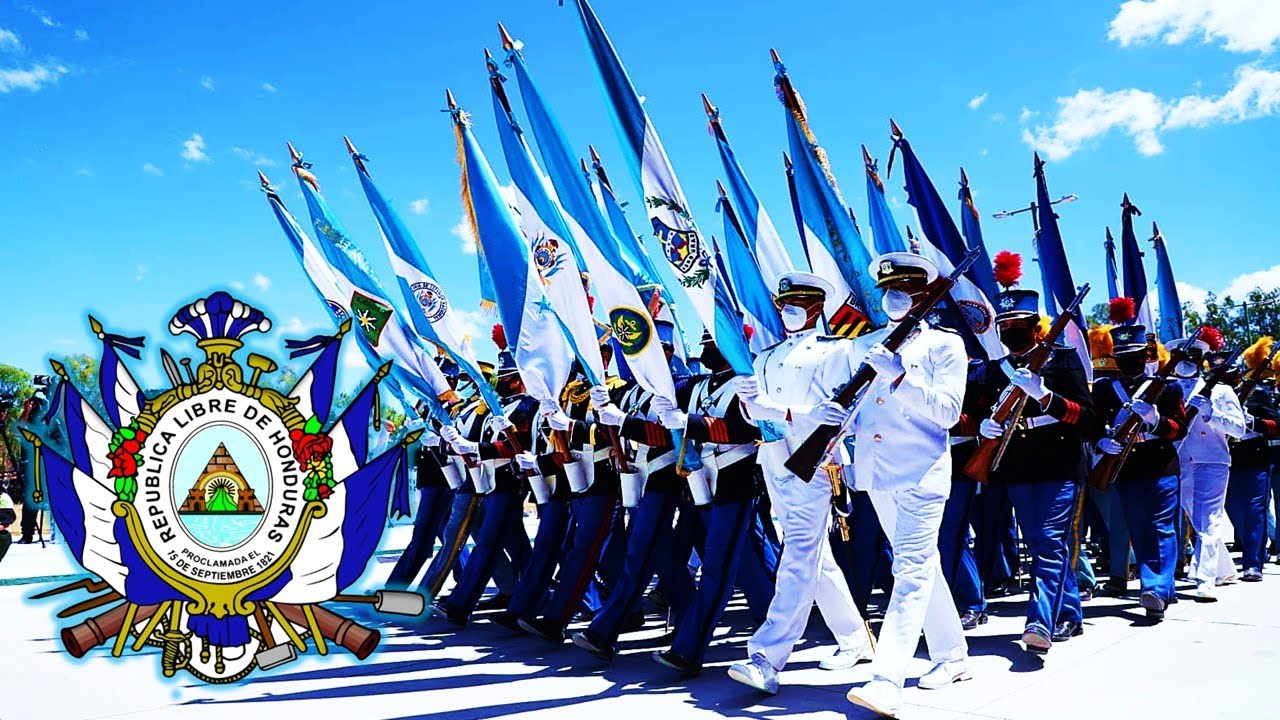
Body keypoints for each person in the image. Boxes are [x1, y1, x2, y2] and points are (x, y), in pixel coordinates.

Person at [728, 271, 874, 695]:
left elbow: (840, 411)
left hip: (814, 463)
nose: (789, 310)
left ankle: (767, 657)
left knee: (797, 556)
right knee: (815, 556)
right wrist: (748, 400)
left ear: (816, 307)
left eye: (800, 303)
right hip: (774, 462)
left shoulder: (836, 351)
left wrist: (777, 408)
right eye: (785, 303)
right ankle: (854, 637)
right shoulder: (766, 357)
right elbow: (755, 416)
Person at [843, 252, 970, 717]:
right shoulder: (868, 344)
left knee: (911, 568)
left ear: (924, 295)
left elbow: (948, 413)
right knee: (920, 563)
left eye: (903, 289)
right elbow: (857, 409)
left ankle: (887, 677)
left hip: (922, 471)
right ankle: (953, 655)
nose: (891, 297)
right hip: (877, 472)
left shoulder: (944, 345)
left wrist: (901, 377)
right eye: (886, 290)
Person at [953, 269, 1094, 653]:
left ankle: (1039, 622)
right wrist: (984, 426)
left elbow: (1088, 417)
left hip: (1058, 463)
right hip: (1015, 465)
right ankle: (1067, 613)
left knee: (1049, 543)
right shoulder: (993, 370)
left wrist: (1047, 398)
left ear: (1036, 327)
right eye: (1005, 326)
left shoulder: (1061, 362)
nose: (1011, 332)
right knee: (1040, 542)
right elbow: (970, 414)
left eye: (1019, 324)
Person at [647, 333, 772, 676]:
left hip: (737, 480)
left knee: (716, 567)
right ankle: (772, 617)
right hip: (704, 482)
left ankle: (689, 649)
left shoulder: (746, 383)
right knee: (741, 561)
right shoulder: (701, 385)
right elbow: (667, 386)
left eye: (712, 344)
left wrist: (689, 422)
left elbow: (740, 430)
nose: (705, 351)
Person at [1091, 320, 1188, 619]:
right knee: (1140, 528)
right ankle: (1163, 587)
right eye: (1122, 355)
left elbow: (1180, 429)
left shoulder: (1168, 387)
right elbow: (1093, 422)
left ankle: (1155, 588)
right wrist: (1101, 441)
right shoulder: (1106, 389)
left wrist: (1156, 421)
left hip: (1160, 464)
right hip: (1125, 466)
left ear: (1146, 355)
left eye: (1133, 354)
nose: (1127, 360)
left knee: (1162, 527)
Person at [434, 348, 537, 625]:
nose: (503, 382)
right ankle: (536, 596)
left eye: (509, 378)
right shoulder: (498, 407)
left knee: (488, 542)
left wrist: (476, 447)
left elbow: (519, 446)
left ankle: (460, 604)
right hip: (491, 481)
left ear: (520, 379)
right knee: (518, 546)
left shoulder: (528, 406)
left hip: (509, 481)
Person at [1173, 339, 1246, 600]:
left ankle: (1204, 579)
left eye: (1191, 355)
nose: (1184, 361)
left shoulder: (1222, 391)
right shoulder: (1166, 389)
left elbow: (1239, 429)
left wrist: (1211, 413)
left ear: (1200, 358)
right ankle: (1224, 570)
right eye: (1179, 355)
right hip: (1180, 461)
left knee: (1210, 519)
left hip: (1212, 460)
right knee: (1198, 519)